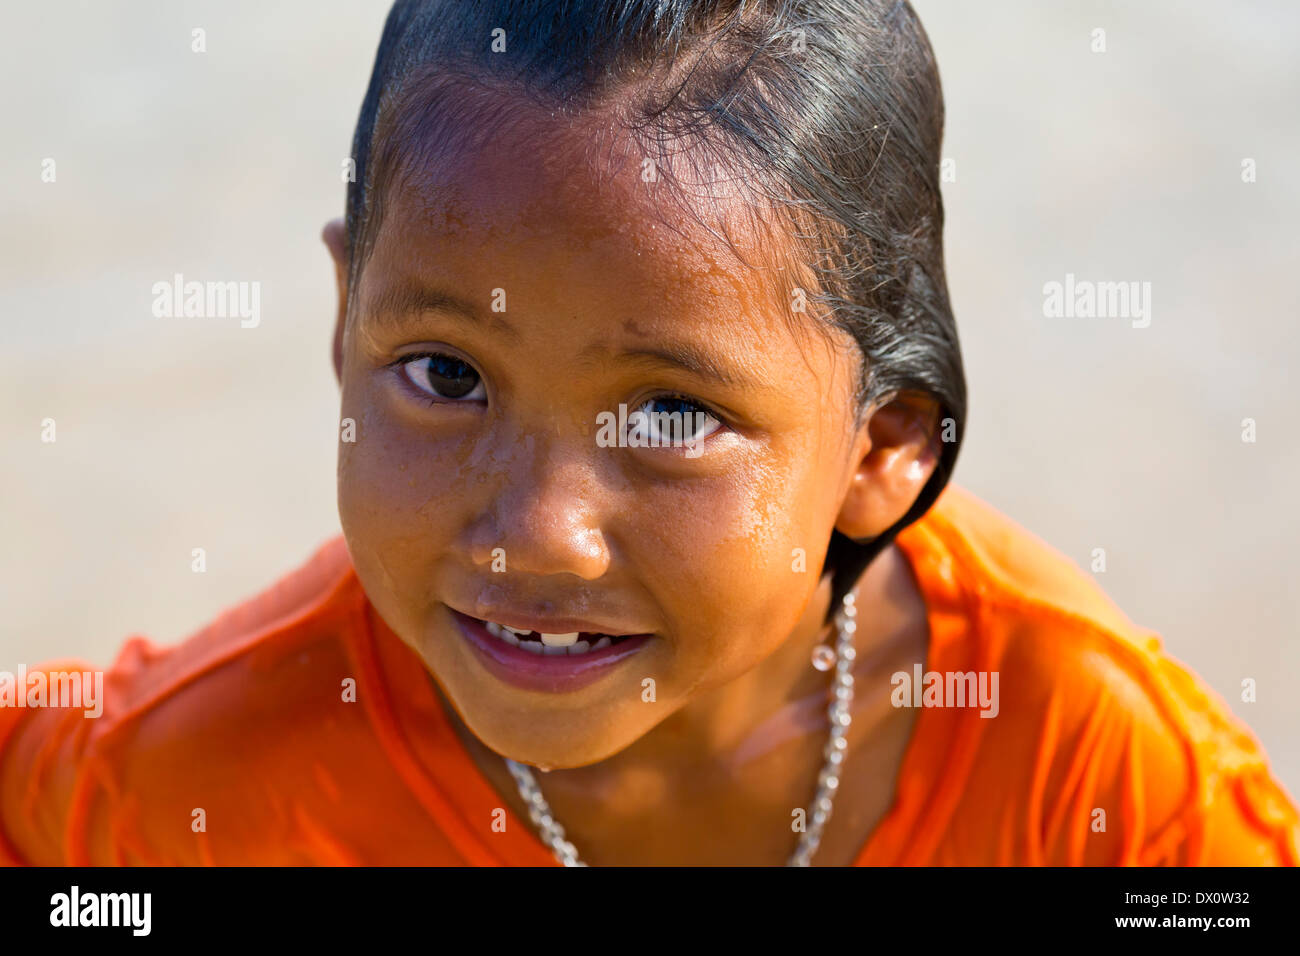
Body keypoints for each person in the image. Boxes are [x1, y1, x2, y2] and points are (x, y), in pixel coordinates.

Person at [1, 0, 1294, 866]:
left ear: (882, 444)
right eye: (447, 373)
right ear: (346, 323)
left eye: (673, 412)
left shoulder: (1103, 787)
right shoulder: (184, 784)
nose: (538, 531)